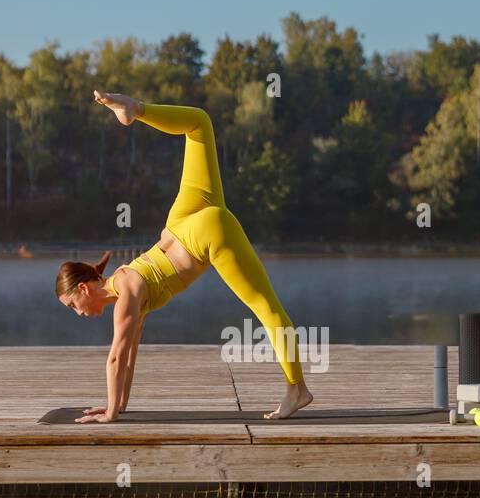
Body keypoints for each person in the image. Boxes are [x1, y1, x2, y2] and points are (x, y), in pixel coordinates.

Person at [55, 96, 314, 421]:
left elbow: (115, 358)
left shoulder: (125, 294)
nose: (76, 313)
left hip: (203, 234)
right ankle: (137, 109)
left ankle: (297, 389)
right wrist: (116, 405)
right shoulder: (125, 286)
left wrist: (109, 415)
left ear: (84, 288)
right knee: (199, 124)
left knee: (267, 308)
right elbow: (130, 356)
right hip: (182, 222)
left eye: (71, 305)